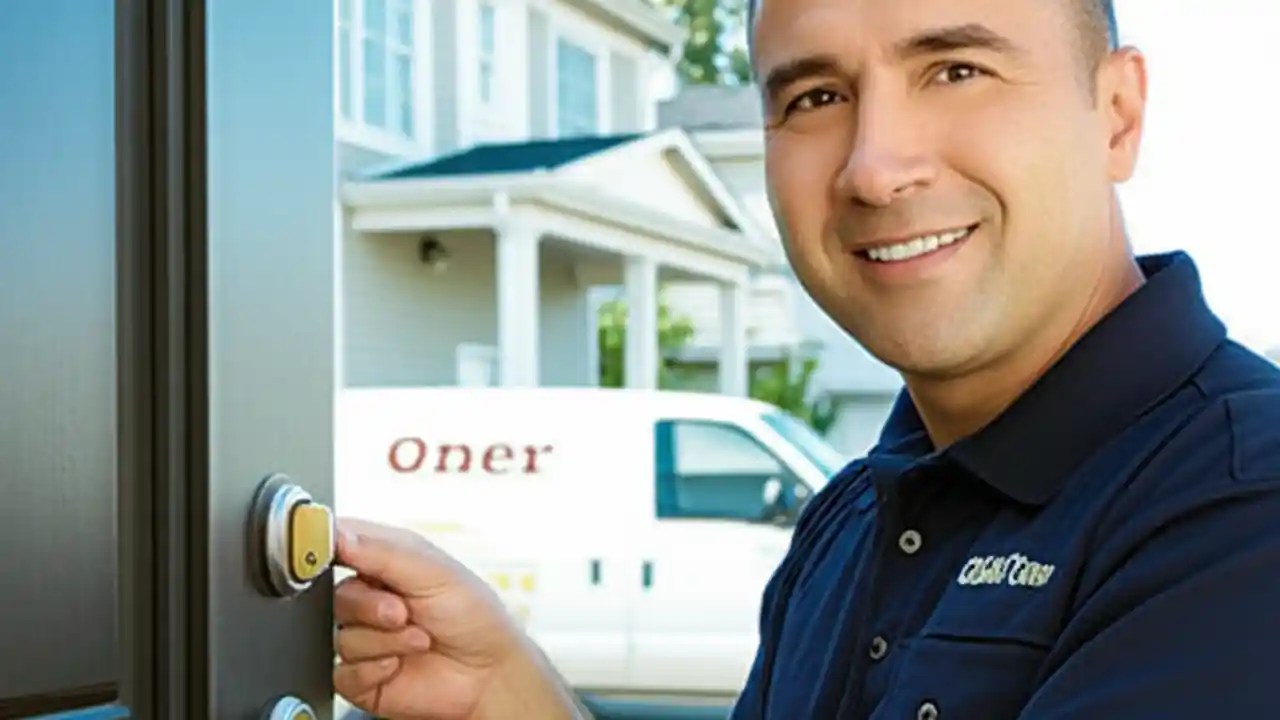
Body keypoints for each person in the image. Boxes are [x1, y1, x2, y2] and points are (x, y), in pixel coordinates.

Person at [333, 0, 1280, 717]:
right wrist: (515, 697)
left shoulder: (1242, 509)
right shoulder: (853, 515)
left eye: (954, 70)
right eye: (816, 96)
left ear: (1116, 115)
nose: (874, 166)